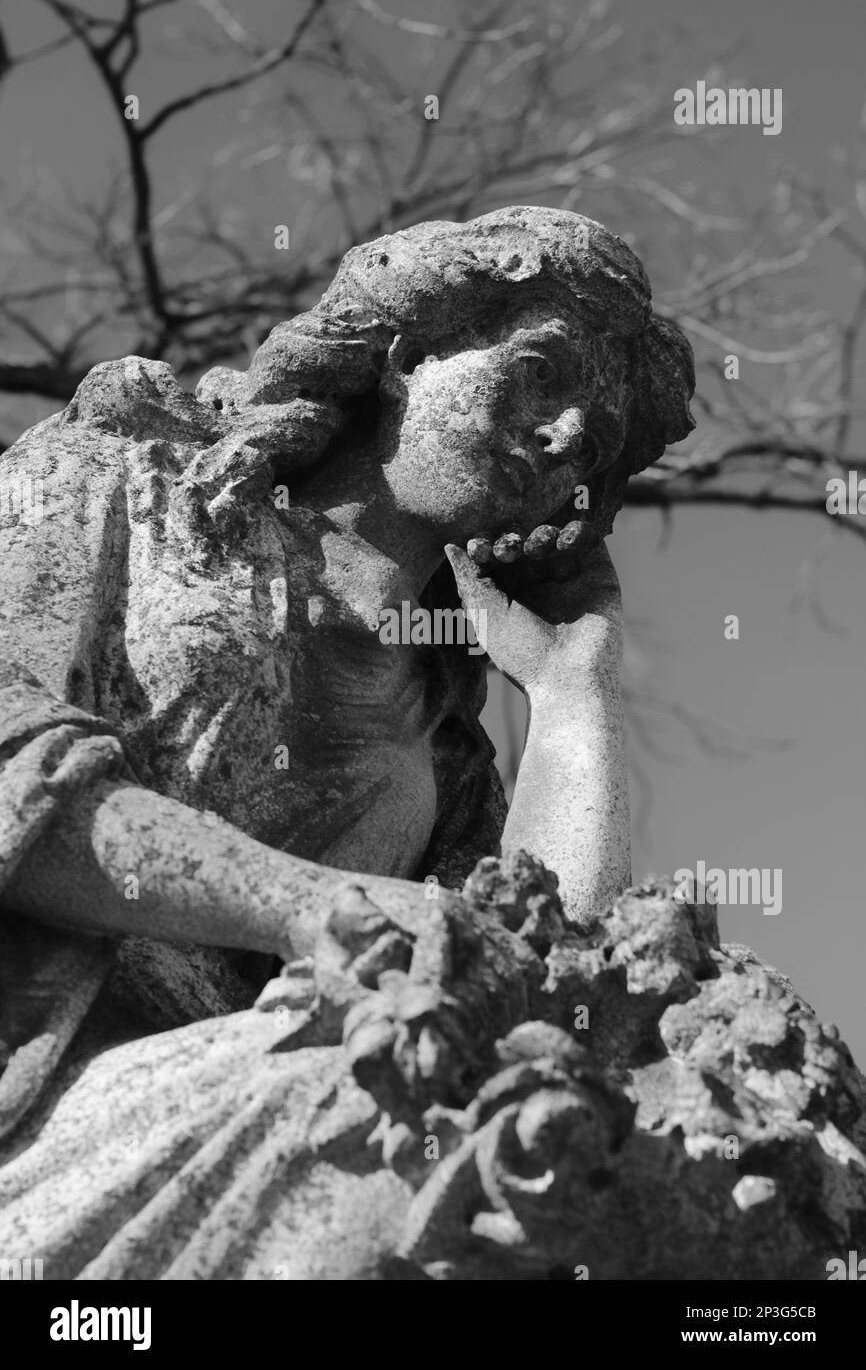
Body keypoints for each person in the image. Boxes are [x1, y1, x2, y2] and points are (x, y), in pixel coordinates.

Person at [0, 205, 694, 1276]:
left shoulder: (445, 749)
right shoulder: (120, 487)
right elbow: (14, 772)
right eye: (541, 371)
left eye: (592, 447)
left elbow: (556, 994)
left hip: (294, 1092)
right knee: (393, 1149)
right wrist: (313, 908)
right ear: (412, 352)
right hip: (46, 1096)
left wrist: (568, 696)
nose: (562, 439)